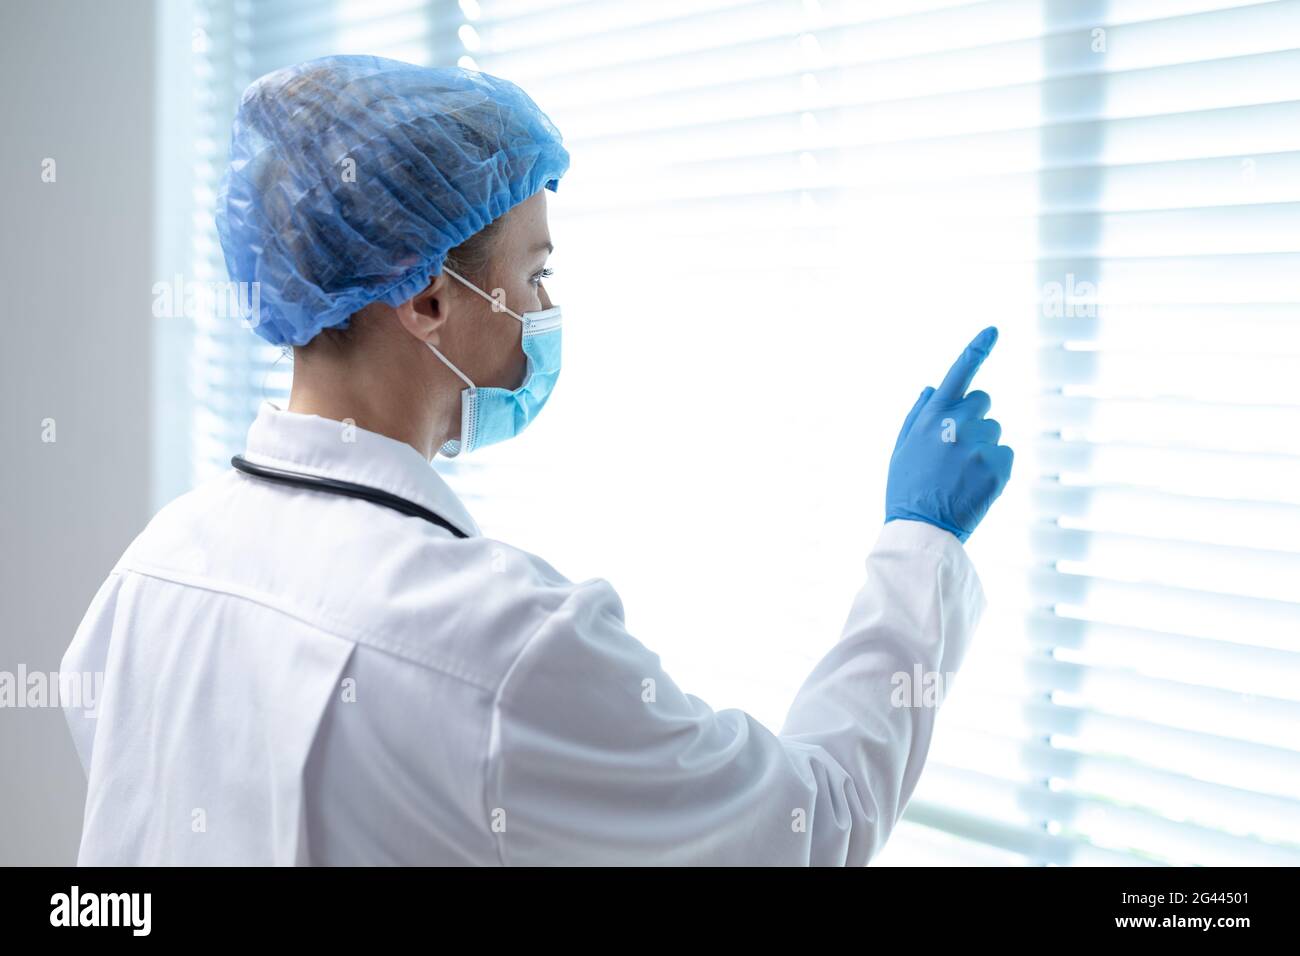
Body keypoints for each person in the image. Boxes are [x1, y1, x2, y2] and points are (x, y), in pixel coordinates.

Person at [60, 55, 1013, 865]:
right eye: (535, 274)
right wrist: (918, 545)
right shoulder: (500, 643)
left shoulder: (157, 564)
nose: (546, 311)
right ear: (427, 300)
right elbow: (808, 827)